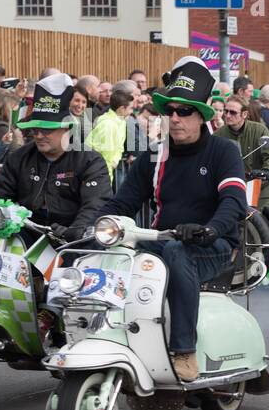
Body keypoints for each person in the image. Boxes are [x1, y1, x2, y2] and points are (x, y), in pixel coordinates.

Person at [96, 58, 246, 382]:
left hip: (215, 245)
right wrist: (94, 225)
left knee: (180, 253)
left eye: (184, 111)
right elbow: (124, 202)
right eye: (170, 111)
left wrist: (211, 229)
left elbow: (234, 200)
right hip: (163, 242)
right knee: (121, 257)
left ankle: (184, 349)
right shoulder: (154, 155)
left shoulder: (224, 151)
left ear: (202, 115)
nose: (175, 118)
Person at [0, 73, 110, 242]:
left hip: (71, 244)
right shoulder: (21, 156)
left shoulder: (89, 161)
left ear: (66, 128)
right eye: (35, 129)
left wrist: (77, 229)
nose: (39, 135)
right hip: (25, 241)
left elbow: (95, 204)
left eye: (47, 129)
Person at [215, 94, 269, 210]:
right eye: (226, 111)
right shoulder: (218, 135)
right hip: (232, 186)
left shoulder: (259, 130)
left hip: (262, 186)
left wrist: (267, 171)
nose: (227, 115)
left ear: (244, 114)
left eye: (232, 112)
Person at [86, 81, 137, 179]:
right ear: (122, 108)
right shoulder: (107, 124)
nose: (132, 111)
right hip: (96, 171)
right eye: (130, 108)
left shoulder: (121, 122)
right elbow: (105, 154)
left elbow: (119, 147)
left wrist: (116, 160)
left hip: (104, 170)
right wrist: (107, 177)